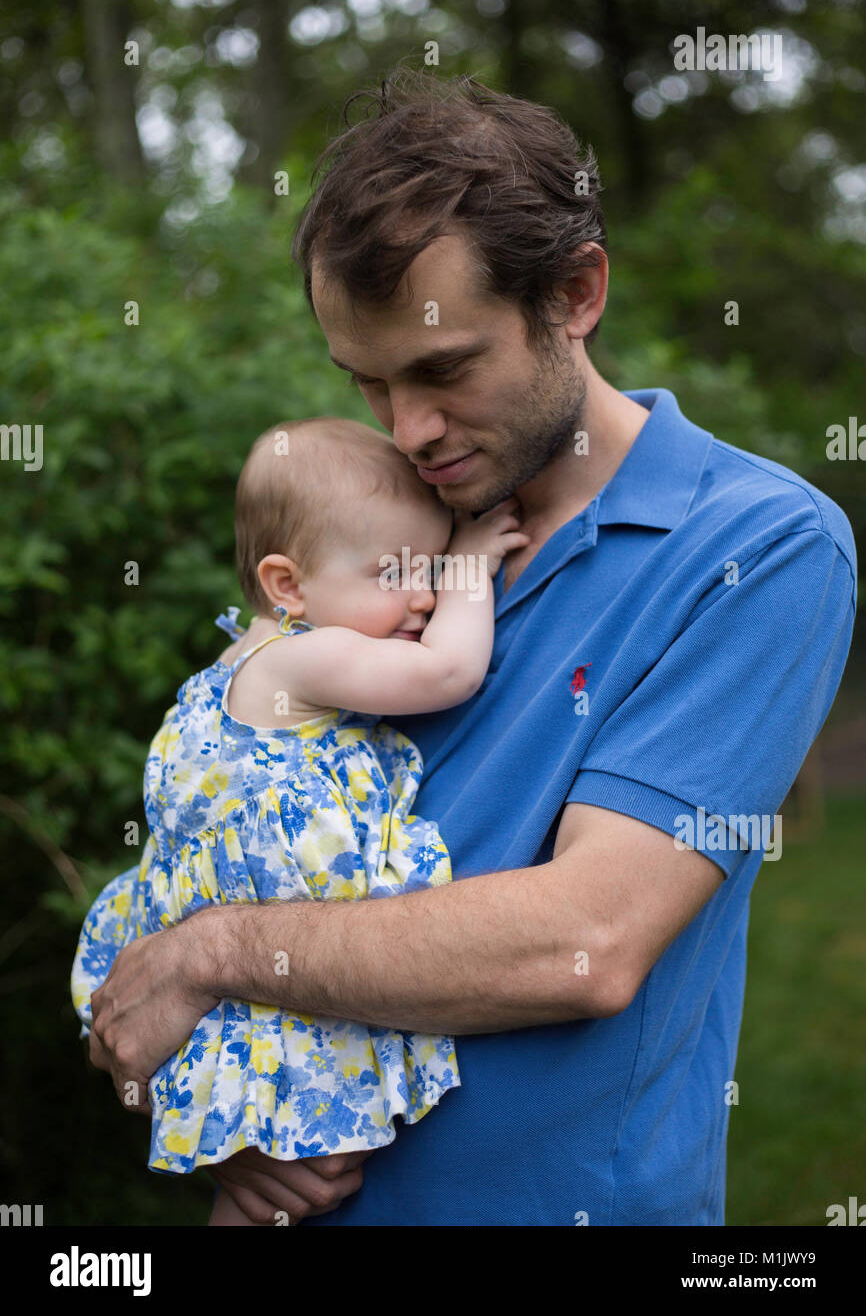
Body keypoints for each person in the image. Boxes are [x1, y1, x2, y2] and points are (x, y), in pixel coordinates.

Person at [88, 70, 856, 1226]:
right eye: (368, 382)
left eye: (444, 370)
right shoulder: (386, 536)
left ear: (576, 292)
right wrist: (227, 1115)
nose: (408, 432)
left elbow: (583, 942)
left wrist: (217, 954)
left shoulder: (754, 547)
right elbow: (221, 834)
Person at [72, 413, 526, 1225]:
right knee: (292, 1183)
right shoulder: (302, 658)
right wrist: (468, 570)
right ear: (289, 587)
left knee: (269, 1197)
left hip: (246, 989)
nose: (421, 593)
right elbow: (449, 671)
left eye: (428, 569)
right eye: (395, 572)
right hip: (274, 1001)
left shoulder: (233, 661)